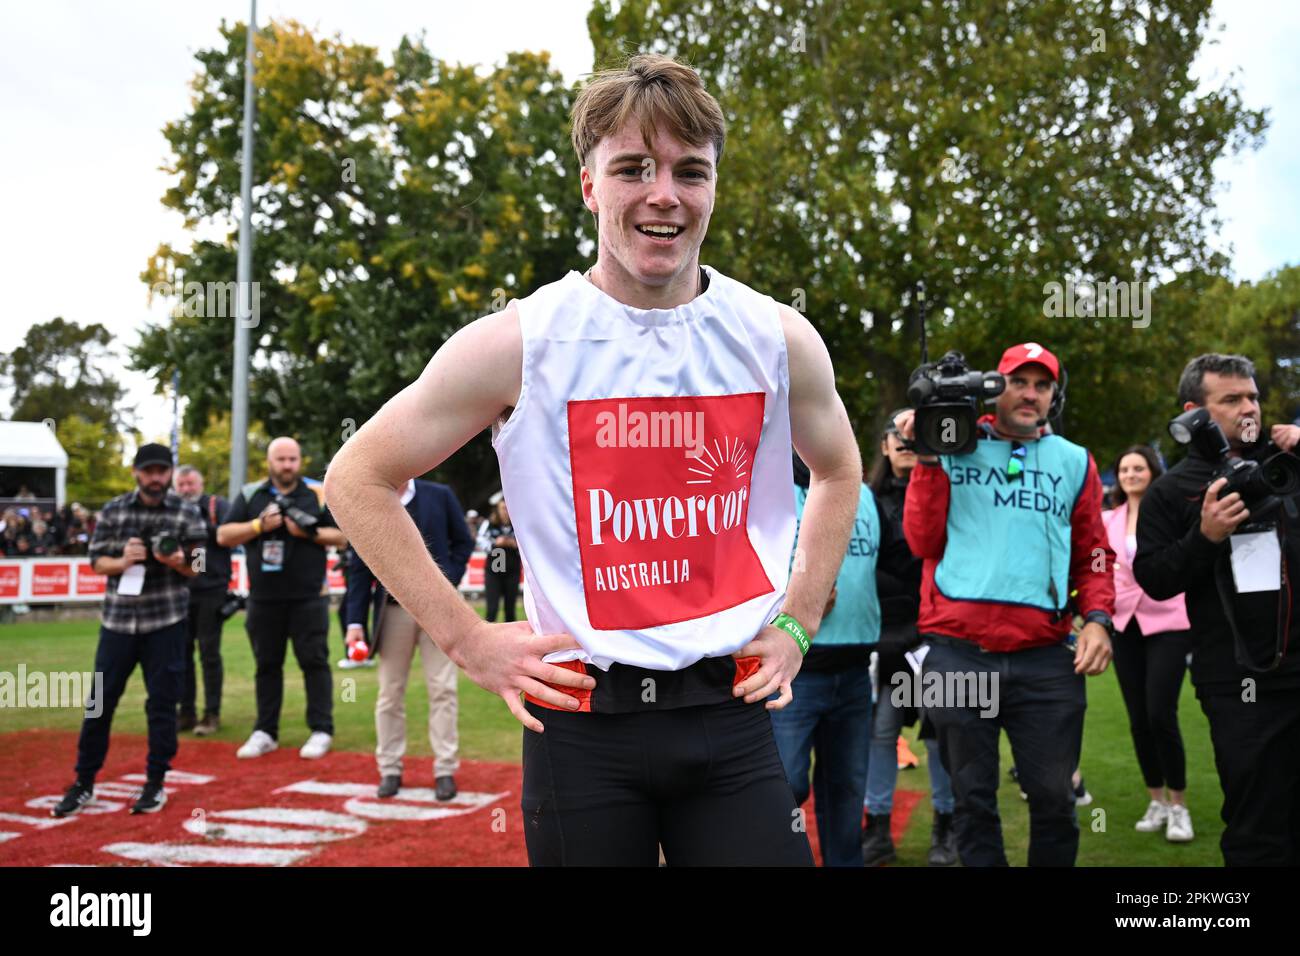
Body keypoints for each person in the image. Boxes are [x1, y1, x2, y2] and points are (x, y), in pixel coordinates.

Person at [325, 53, 862, 866]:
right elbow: (356, 479)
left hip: (732, 714)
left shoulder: (775, 337)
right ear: (589, 187)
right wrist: (467, 639)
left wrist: (801, 617)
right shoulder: (521, 342)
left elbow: (839, 469)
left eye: (690, 171)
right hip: (580, 727)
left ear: (713, 187)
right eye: (633, 169)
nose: (663, 195)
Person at [899, 342, 1116, 867]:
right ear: (995, 387)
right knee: (971, 800)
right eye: (1020, 381)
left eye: (1043, 386)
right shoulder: (954, 444)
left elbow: (1095, 551)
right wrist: (927, 455)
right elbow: (922, 541)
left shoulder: (1074, 461)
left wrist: (1099, 620)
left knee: (1054, 798)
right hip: (959, 649)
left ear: (1052, 398)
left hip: (1045, 655)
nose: (1031, 394)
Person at [1134, 354, 1300, 865]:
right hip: (1239, 681)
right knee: (1257, 829)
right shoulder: (1171, 490)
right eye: (1231, 399)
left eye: (1252, 395)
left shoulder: (1288, 465)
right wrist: (1204, 537)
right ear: (1194, 413)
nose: (1248, 407)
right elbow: (1156, 580)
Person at [50, 444, 207, 817]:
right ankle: (84, 781)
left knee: (162, 706)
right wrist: (123, 560)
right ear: (136, 472)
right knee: (99, 704)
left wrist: (178, 561)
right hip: (119, 622)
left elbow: (202, 564)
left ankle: (155, 783)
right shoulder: (114, 509)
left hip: (165, 621)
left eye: (161, 471)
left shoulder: (187, 511)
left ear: (169, 474)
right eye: (148, 471)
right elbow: (94, 560)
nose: (155, 478)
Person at [770, 453, 884, 866]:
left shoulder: (864, 495)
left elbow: (887, 569)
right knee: (786, 784)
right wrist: (798, 599)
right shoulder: (769, 491)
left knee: (848, 788)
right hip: (795, 671)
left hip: (855, 668)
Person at [862, 410, 958, 867]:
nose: (902, 444)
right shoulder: (863, 500)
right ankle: (876, 827)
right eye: (895, 439)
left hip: (935, 632)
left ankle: (947, 824)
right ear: (883, 447)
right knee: (881, 732)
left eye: (909, 438)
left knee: (940, 733)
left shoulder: (944, 492)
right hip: (883, 637)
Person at [218, 437, 348, 760]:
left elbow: (344, 537)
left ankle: (321, 729)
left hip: (309, 596)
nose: (287, 465)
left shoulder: (318, 492)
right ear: (269, 462)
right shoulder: (251, 494)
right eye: (281, 459)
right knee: (266, 665)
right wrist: (258, 525)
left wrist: (307, 532)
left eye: (292, 459)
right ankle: (265, 731)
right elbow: (223, 535)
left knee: (314, 662)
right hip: (264, 598)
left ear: (300, 460)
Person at [345, 477, 474, 799]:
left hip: (440, 609)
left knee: (443, 689)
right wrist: (354, 622)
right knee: (390, 693)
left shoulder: (440, 494)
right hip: (391, 612)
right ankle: (389, 768)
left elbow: (464, 543)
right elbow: (359, 568)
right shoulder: (369, 499)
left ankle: (445, 769)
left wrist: (447, 581)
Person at [1102, 444, 1195, 841]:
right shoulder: (1108, 518)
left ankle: (1179, 805)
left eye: (1138, 468)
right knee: (1138, 718)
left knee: (1160, 712)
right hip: (1125, 624)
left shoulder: (1170, 514)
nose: (1130, 474)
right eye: (1124, 469)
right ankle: (1155, 799)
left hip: (1169, 620)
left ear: (1153, 472)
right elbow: (1098, 564)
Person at [173, 465, 232, 736]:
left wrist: (198, 523)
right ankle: (186, 711)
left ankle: (211, 713)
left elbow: (228, 535)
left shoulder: (215, 504)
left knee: (209, 653)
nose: (186, 489)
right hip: (179, 589)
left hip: (211, 589)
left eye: (190, 483)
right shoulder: (170, 508)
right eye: (181, 484)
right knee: (180, 653)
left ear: (200, 483)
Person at [482, 499, 522, 622]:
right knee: (492, 608)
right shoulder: (489, 524)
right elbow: (480, 541)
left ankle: (512, 639)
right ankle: (488, 638)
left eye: (507, 508)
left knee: (510, 609)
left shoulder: (518, 524)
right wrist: (495, 543)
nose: (505, 511)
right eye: (502, 508)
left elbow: (528, 545)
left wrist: (514, 544)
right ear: (498, 510)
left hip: (512, 571)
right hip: (494, 570)